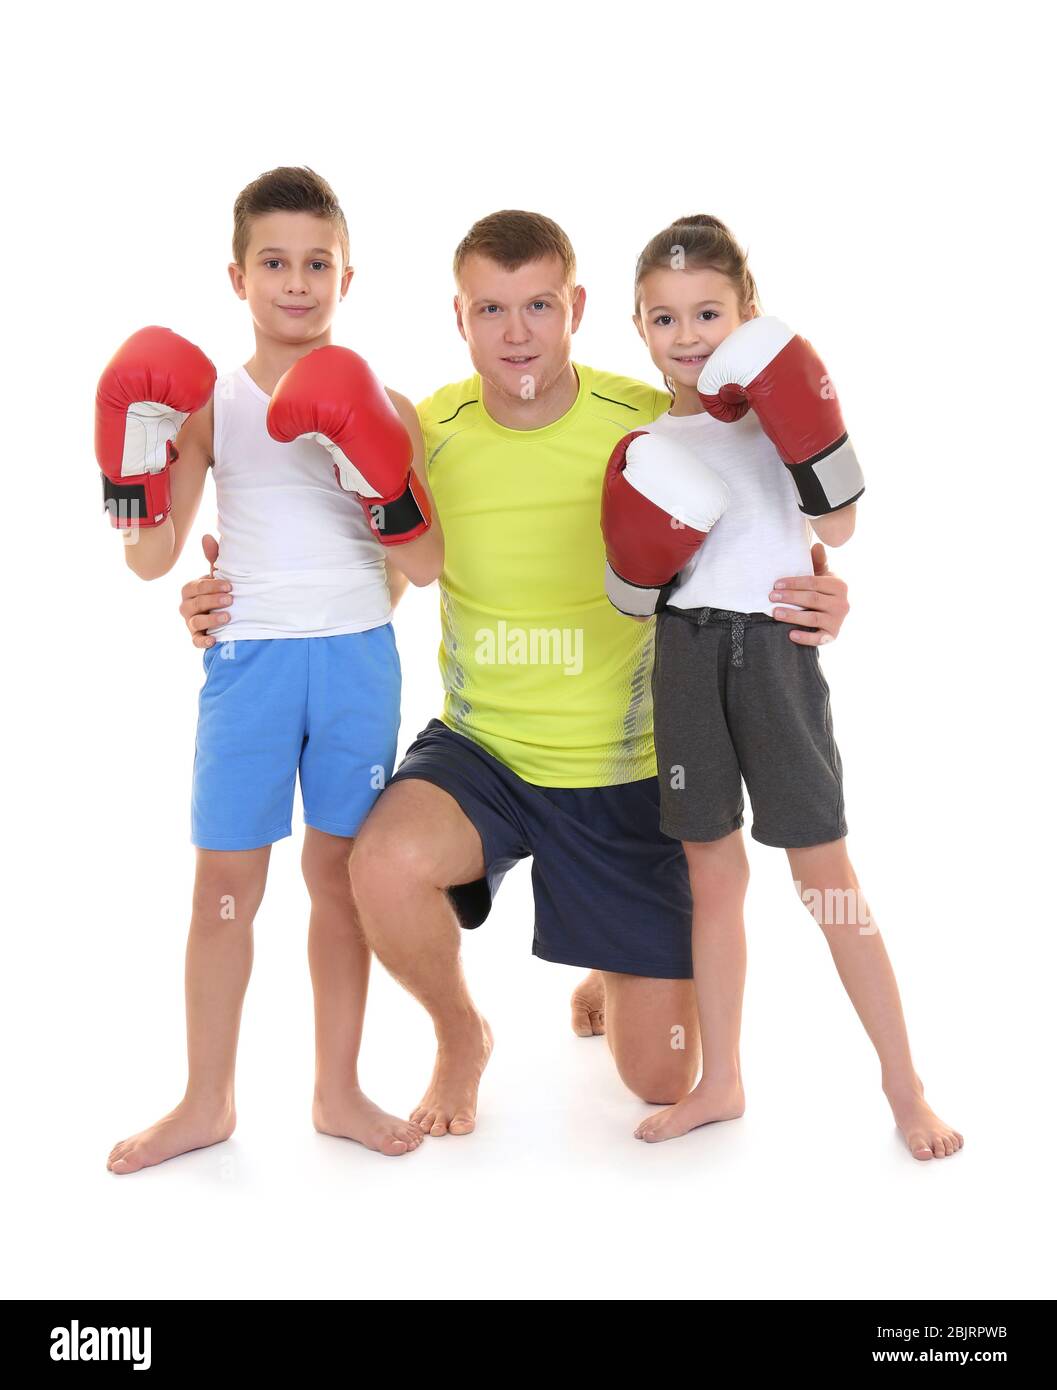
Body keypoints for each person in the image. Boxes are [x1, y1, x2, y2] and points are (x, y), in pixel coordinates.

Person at [179, 210, 852, 1138]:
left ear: (574, 307)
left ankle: (610, 959)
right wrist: (228, 597)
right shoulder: (426, 430)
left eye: (538, 304)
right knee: (377, 866)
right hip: (482, 754)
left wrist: (825, 595)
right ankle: (461, 1034)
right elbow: (376, 572)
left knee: (659, 1079)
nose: (517, 331)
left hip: (627, 769)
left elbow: (763, 528)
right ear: (459, 318)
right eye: (491, 309)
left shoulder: (651, 418)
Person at [100, 166, 442, 1173]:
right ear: (237, 276)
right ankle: (207, 1100)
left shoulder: (390, 405)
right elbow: (152, 556)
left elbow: (420, 568)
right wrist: (135, 466)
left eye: (318, 262)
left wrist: (377, 477)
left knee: (338, 882)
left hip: (354, 662)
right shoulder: (207, 405)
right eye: (275, 261)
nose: (298, 282)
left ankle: (336, 1091)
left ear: (348, 275)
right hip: (248, 665)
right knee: (224, 886)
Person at [613, 213, 961, 1160]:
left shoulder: (775, 415)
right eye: (663, 318)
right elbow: (637, 594)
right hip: (684, 656)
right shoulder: (644, 443)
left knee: (825, 878)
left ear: (748, 314)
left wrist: (799, 425)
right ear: (638, 328)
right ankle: (721, 1080)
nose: (687, 338)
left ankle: (904, 1085)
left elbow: (839, 530)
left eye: (708, 313)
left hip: (773, 654)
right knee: (711, 878)